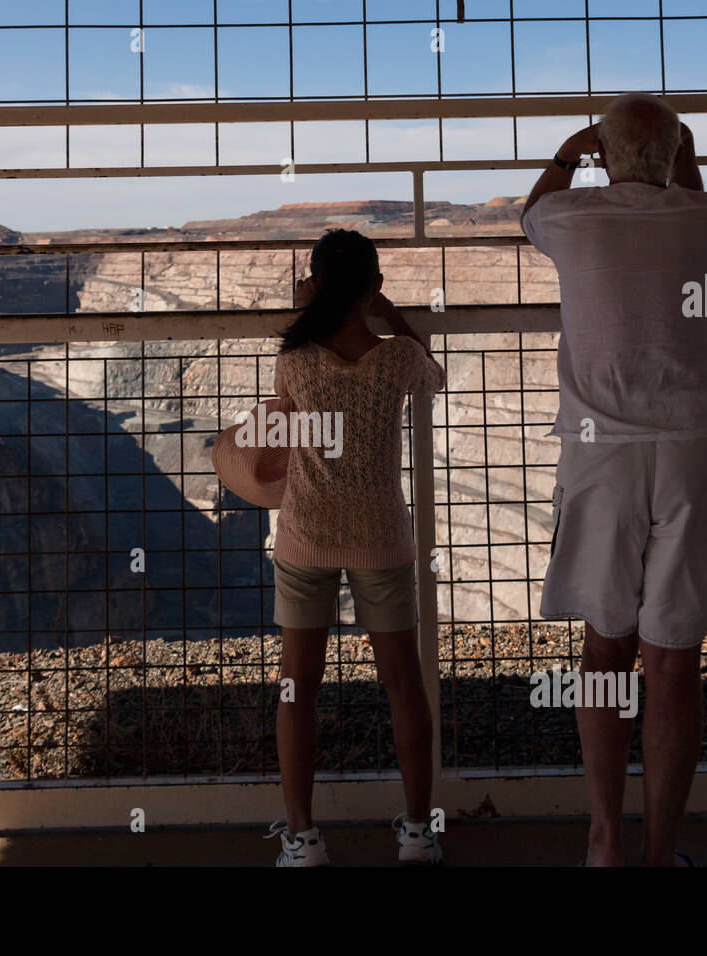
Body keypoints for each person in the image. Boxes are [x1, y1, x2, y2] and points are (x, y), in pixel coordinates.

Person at [520, 92, 707, 867]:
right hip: (694, 452)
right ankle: (660, 854)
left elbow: (530, 210)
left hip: (601, 456)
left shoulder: (570, 220)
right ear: (678, 154)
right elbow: (689, 189)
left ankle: (604, 841)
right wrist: (677, 149)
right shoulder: (704, 220)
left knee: (604, 650)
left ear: (605, 154)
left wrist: (569, 149)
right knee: (672, 658)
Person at [266, 229, 446, 867]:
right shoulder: (397, 360)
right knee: (403, 684)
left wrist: (302, 311)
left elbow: (280, 424)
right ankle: (419, 831)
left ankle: (302, 836)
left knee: (298, 687)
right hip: (381, 535)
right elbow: (436, 376)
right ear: (372, 286)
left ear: (315, 284)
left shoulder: (295, 360)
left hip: (306, 534)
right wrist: (393, 316)